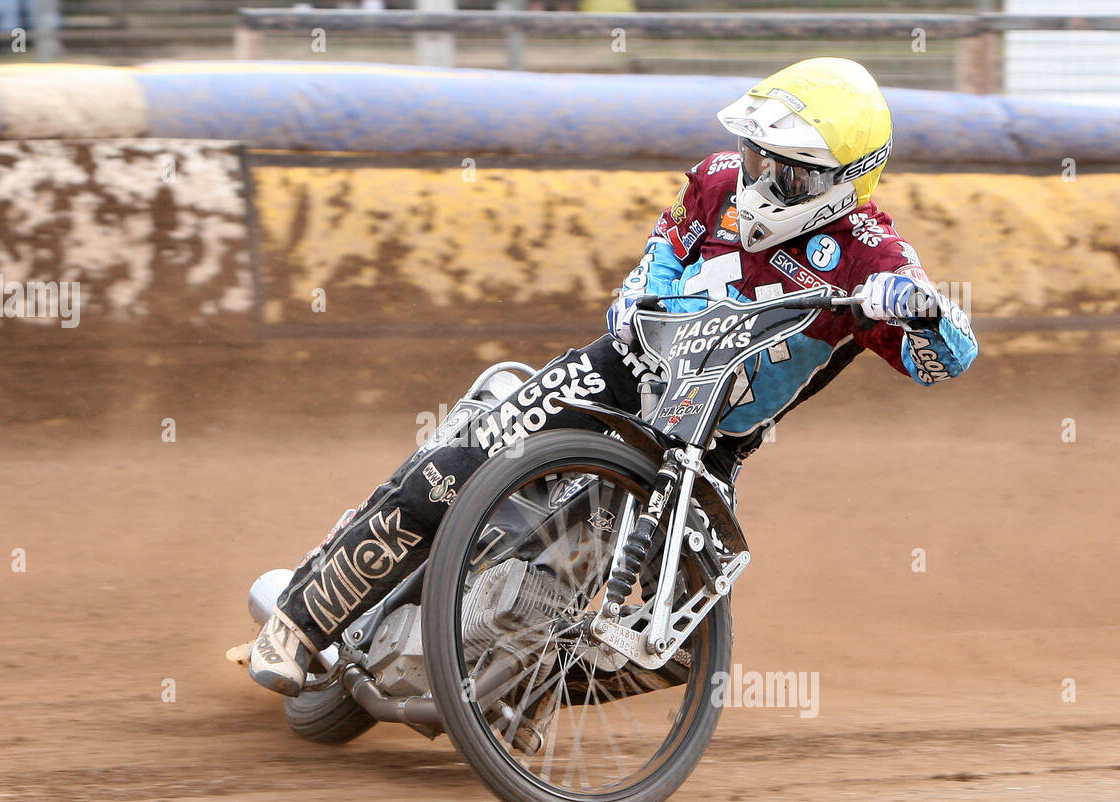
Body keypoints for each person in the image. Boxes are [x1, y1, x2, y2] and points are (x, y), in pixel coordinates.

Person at [229, 57, 979, 697]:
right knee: (459, 466)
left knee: (680, 648)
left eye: (779, 168)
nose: (755, 175)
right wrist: (638, 295)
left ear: (840, 183)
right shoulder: (716, 181)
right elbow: (665, 245)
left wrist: (920, 309)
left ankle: (512, 701)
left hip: (708, 445)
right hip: (622, 372)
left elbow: (947, 360)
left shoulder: (870, 256)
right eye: (752, 153)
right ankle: (300, 620)